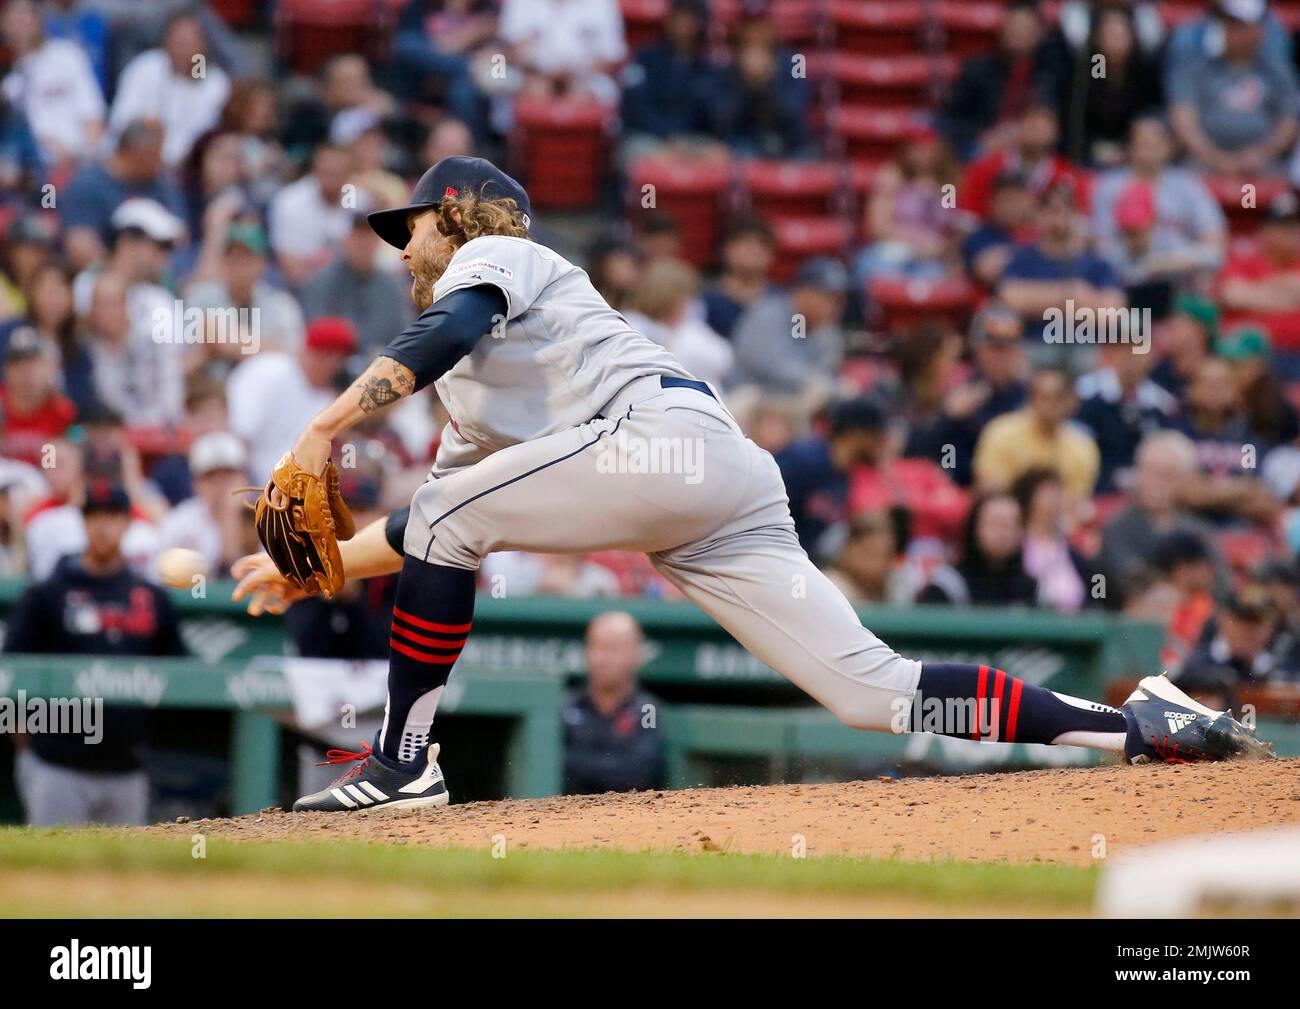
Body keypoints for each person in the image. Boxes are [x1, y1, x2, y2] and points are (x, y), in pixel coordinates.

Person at [230, 155, 1271, 814]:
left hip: (664, 444)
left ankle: (406, 764)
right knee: (871, 691)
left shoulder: (504, 258)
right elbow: (429, 524)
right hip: (708, 487)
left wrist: (322, 428)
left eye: (412, 221)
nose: (402, 240)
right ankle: (1134, 723)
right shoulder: (474, 405)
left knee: (458, 514)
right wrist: (317, 570)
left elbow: (449, 332)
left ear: (460, 219)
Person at [6, 480, 187, 826]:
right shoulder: (47, 594)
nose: (103, 527)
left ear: (127, 523)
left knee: (122, 876)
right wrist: (27, 742)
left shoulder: (150, 597)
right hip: (57, 765)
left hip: (128, 767)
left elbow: (179, 678)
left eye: (113, 517)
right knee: (50, 870)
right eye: (94, 517)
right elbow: (12, 672)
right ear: (83, 521)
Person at [1169, 0, 1299, 175]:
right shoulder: (1195, 69)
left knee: (1275, 192)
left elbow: (1289, 123)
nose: (1232, 31)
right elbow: (1183, 120)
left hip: (1266, 163)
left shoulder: (1278, 73)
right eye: (1229, 24)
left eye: (1241, 25)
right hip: (1201, 162)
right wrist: (1215, 158)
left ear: (1260, 30)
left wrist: (1260, 155)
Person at [226, 316, 356, 478]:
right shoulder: (269, 370)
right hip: (245, 480)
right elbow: (238, 434)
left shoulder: (327, 400)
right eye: (329, 356)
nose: (334, 366)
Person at [107, 11, 230, 167]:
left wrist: (192, 78)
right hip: (141, 157)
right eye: (178, 41)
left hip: (187, 166)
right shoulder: (146, 66)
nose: (182, 48)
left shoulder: (214, 81)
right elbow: (123, 119)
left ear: (202, 45)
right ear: (166, 41)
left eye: (188, 42)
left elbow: (206, 133)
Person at [562, 611, 666, 795]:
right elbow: (552, 766)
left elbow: (641, 774)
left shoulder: (647, 710)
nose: (601, 659)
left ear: (637, 654)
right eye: (596, 647)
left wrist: (579, 765)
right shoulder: (566, 706)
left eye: (612, 649)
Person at [938, 1, 1054, 159]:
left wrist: (1022, 134)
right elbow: (952, 120)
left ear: (1038, 32)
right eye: (1013, 28)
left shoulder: (1050, 72)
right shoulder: (977, 70)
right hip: (983, 146)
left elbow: (1054, 116)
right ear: (1002, 29)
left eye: (1025, 28)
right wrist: (984, 136)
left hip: (1034, 147)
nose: (1018, 34)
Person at [973, 366, 1101, 503]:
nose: (1048, 407)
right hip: (1009, 513)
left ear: (1071, 401)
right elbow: (989, 488)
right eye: (1043, 397)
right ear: (1030, 399)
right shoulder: (1001, 432)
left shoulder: (1083, 447)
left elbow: (1077, 501)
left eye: (1057, 398)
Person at [0, 0, 103, 169]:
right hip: (38, 167)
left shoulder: (68, 54)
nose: (21, 26)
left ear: (40, 19)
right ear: (3, 25)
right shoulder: (9, 82)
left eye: (26, 17)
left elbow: (93, 116)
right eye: (14, 20)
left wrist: (87, 156)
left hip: (84, 160)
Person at [731, 256, 848, 406]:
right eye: (827, 297)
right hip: (750, 398)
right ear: (803, 291)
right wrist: (817, 382)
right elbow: (769, 365)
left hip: (788, 405)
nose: (834, 306)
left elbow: (825, 373)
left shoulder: (827, 332)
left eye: (839, 299)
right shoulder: (769, 313)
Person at [299, 211, 419, 350]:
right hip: (335, 365)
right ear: (346, 239)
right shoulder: (322, 281)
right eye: (357, 236)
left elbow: (405, 336)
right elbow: (314, 333)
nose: (363, 244)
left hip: (382, 364)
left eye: (368, 237)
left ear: (377, 241)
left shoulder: (391, 286)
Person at [1074, 342, 1179, 494]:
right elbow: (1080, 444)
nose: (1131, 359)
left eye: (1138, 353)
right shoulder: (1087, 392)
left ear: (1151, 358)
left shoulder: (1161, 403)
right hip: (1098, 480)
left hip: (1145, 483)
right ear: (1114, 354)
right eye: (1126, 351)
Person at [916, 491, 1039, 607]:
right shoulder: (948, 585)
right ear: (974, 528)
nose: (1005, 532)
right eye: (997, 523)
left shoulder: (1031, 589)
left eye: (1013, 524)